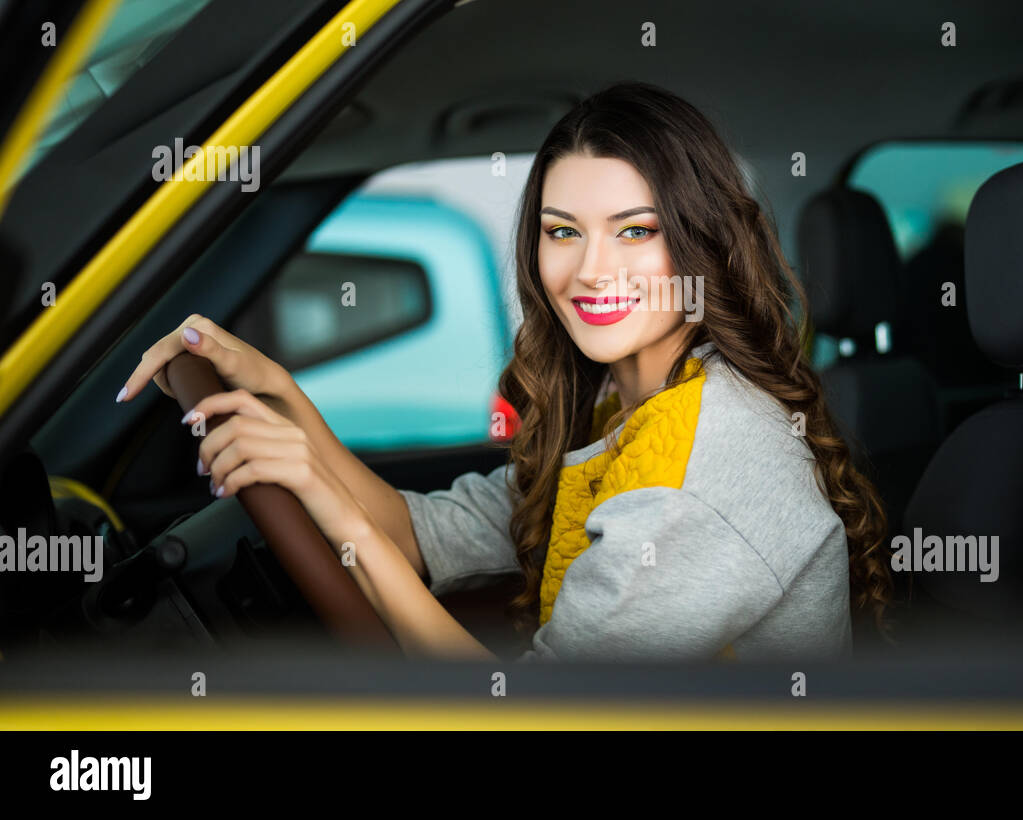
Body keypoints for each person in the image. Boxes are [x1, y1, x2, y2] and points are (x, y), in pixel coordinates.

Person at [117, 81, 894, 662]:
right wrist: (281, 394)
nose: (592, 270)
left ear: (702, 245)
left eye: (635, 232)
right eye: (563, 232)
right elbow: (421, 537)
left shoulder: (700, 474)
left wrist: (344, 524)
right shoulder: (625, 407)